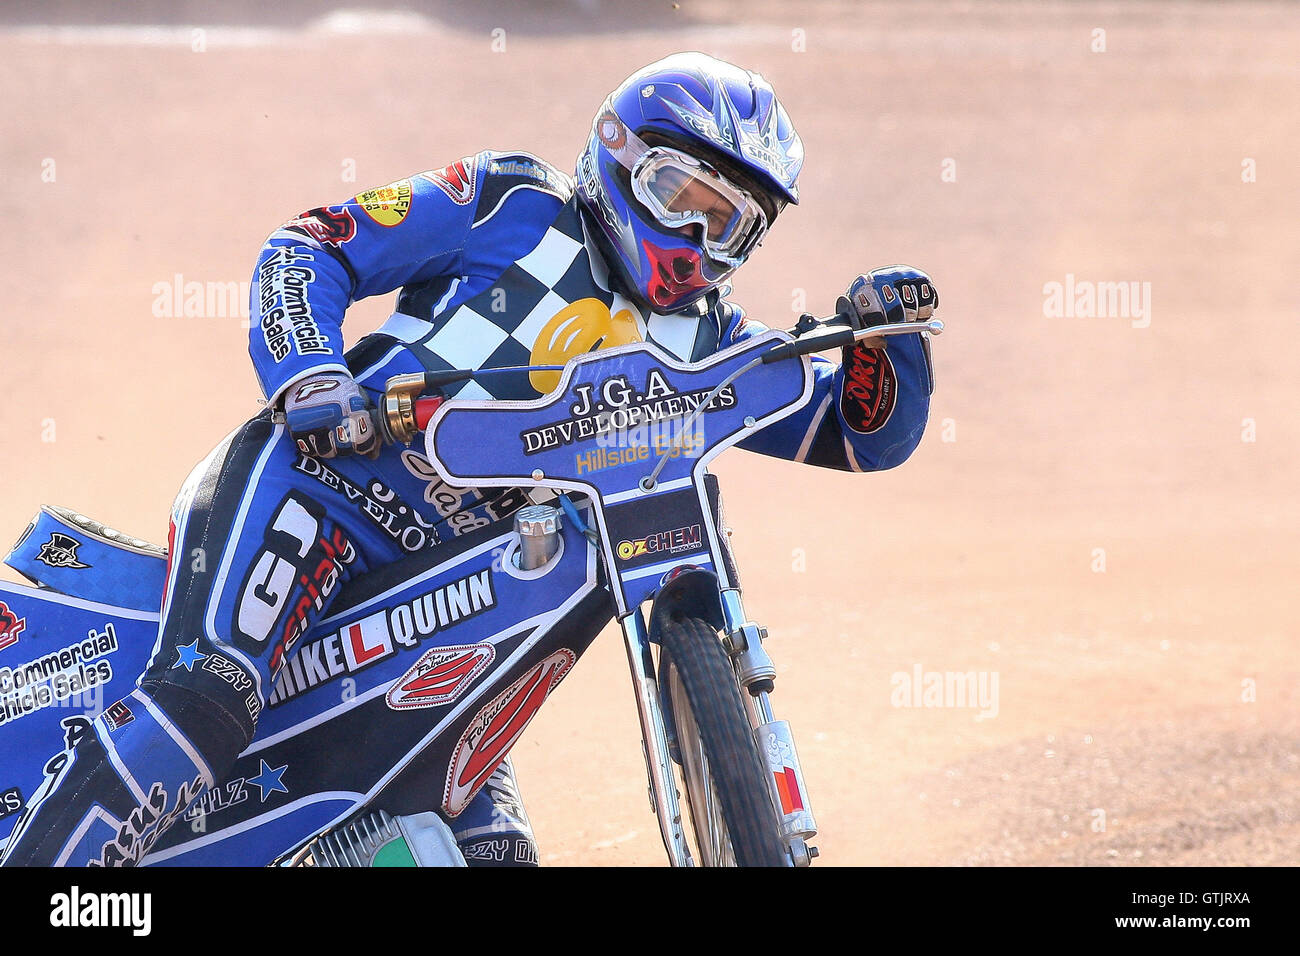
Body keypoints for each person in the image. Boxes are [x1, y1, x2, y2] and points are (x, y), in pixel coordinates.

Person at [1, 52, 936, 867]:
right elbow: (312, 245)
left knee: (494, 855)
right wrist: (308, 378)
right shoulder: (512, 203)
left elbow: (855, 435)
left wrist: (885, 345)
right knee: (204, 705)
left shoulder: (703, 343)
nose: (693, 243)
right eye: (678, 199)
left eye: (726, 228)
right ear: (616, 156)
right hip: (322, 490)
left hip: (466, 595)